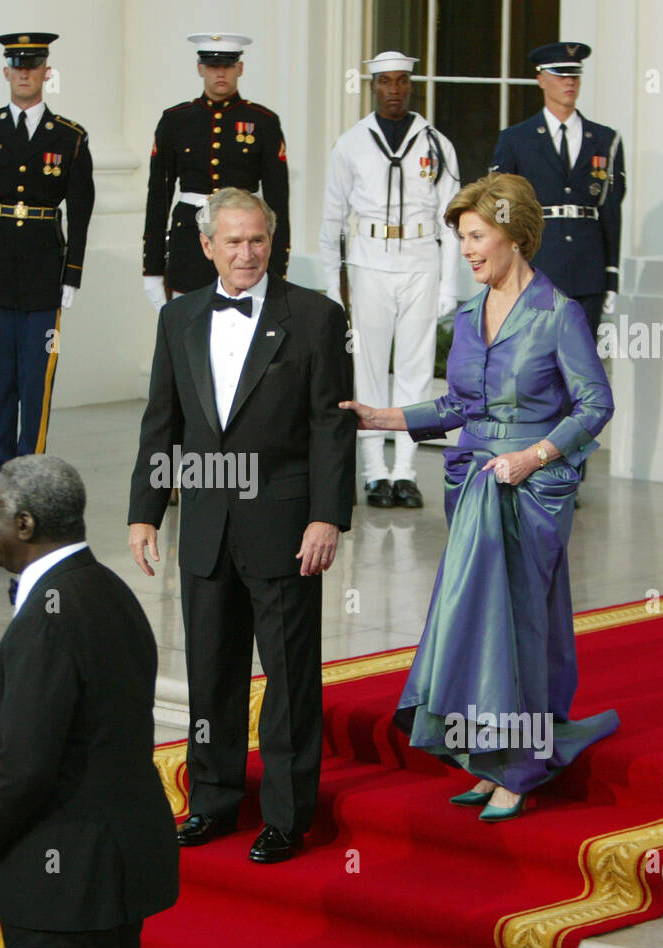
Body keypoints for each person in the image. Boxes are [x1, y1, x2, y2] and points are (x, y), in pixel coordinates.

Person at [341, 173, 619, 821]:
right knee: (474, 624)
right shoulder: (468, 316)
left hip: (534, 488)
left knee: (519, 626)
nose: (466, 250)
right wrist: (384, 418)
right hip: (472, 484)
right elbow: (458, 404)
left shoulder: (559, 313)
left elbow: (596, 403)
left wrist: (534, 456)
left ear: (514, 235)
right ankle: (486, 758)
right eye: (461, 238)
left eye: (475, 236)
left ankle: (520, 767)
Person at [129, 188, 355, 863]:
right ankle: (212, 802)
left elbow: (330, 427)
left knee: (289, 677)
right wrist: (147, 509)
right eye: (232, 241)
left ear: (273, 241)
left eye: (257, 239)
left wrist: (327, 515)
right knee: (210, 674)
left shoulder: (314, 317)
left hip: (286, 526)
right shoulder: (179, 318)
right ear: (207, 246)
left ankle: (288, 817)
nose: (247, 252)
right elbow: (160, 420)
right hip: (203, 524)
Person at [0, 455, 179, 948]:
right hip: (112, 869)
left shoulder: (49, 619)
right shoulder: (110, 590)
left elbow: (25, 764)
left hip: (66, 884)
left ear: (25, 524)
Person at [320, 50, 460, 510]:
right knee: (370, 370)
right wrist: (328, 285)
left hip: (422, 260)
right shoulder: (351, 143)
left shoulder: (435, 142)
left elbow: (453, 221)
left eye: (402, 81)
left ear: (411, 85)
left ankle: (405, 471)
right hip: (369, 262)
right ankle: (374, 472)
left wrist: (450, 286)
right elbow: (333, 219)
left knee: (417, 373)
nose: (394, 90)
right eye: (385, 82)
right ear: (373, 86)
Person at [0, 32, 94, 477]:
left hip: (42, 272)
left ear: (45, 73)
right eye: (17, 65)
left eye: (33, 66)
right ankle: (2, 470)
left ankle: (29, 471)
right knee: (0, 379)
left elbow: (82, 211)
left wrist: (72, 273)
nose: (25, 74)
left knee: (37, 380)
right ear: (6, 72)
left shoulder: (70, 137)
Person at [142, 33, 290, 308]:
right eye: (212, 66)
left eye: (228, 65)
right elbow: (158, 197)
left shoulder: (263, 122)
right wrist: (152, 266)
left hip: (243, 246)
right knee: (189, 336)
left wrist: (277, 266)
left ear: (240, 68)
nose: (220, 73)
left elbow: (278, 200)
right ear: (200, 68)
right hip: (189, 244)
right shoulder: (176, 120)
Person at [491, 42, 625, 343]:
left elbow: (611, 211)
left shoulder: (604, 140)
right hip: (535, 266)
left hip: (587, 268)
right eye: (561, 74)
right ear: (541, 79)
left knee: (580, 367)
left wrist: (611, 274)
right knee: (533, 365)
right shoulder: (516, 139)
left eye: (575, 75)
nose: (569, 82)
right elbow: (500, 207)